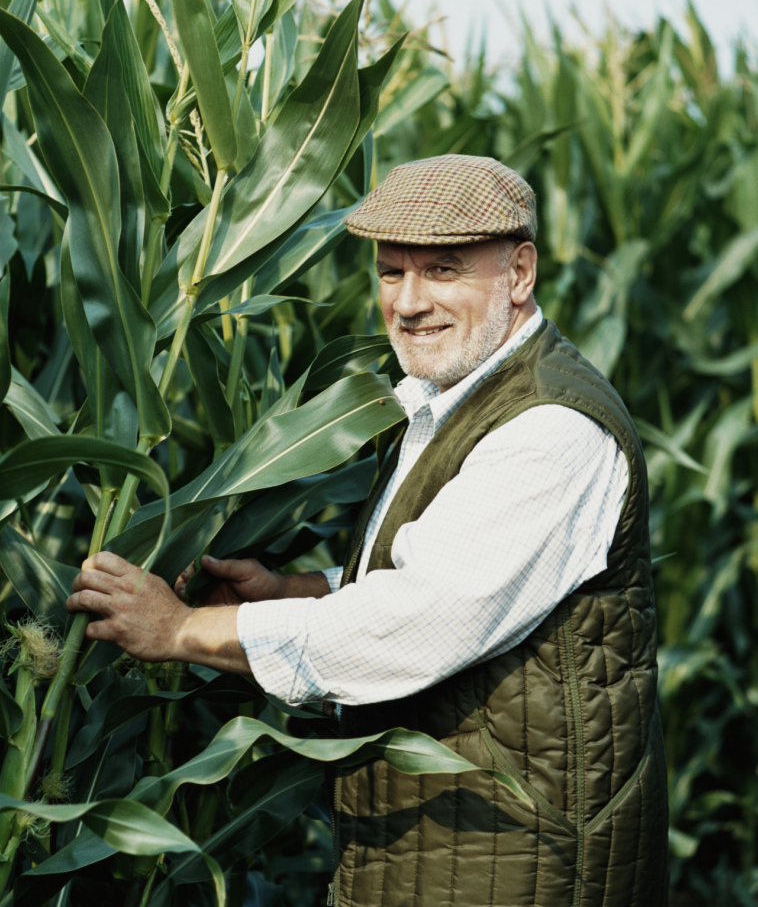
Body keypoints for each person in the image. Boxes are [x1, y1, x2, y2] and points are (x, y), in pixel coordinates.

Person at [67, 155, 669, 907]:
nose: (409, 302)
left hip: (515, 864)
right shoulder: (441, 395)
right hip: (442, 849)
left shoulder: (549, 431)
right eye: (391, 273)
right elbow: (434, 569)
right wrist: (297, 590)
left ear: (519, 273)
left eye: (443, 270)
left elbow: (412, 623)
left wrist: (184, 629)